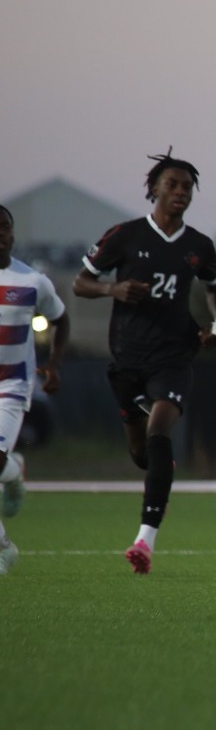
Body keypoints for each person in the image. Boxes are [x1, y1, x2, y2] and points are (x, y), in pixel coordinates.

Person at [73, 151, 216, 574]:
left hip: (174, 356)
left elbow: (215, 287)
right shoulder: (125, 236)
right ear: (154, 188)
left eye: (187, 187)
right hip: (127, 358)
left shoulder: (198, 245)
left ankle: (144, 541)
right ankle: (160, 468)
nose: (180, 192)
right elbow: (81, 283)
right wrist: (114, 289)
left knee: (160, 433)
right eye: (172, 185)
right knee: (142, 454)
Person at [0, 205, 73, 574]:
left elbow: (62, 320)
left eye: (4, 227)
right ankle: (12, 470)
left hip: (12, 386)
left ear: (13, 234)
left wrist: (54, 366)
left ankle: (4, 551)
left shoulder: (32, 282)